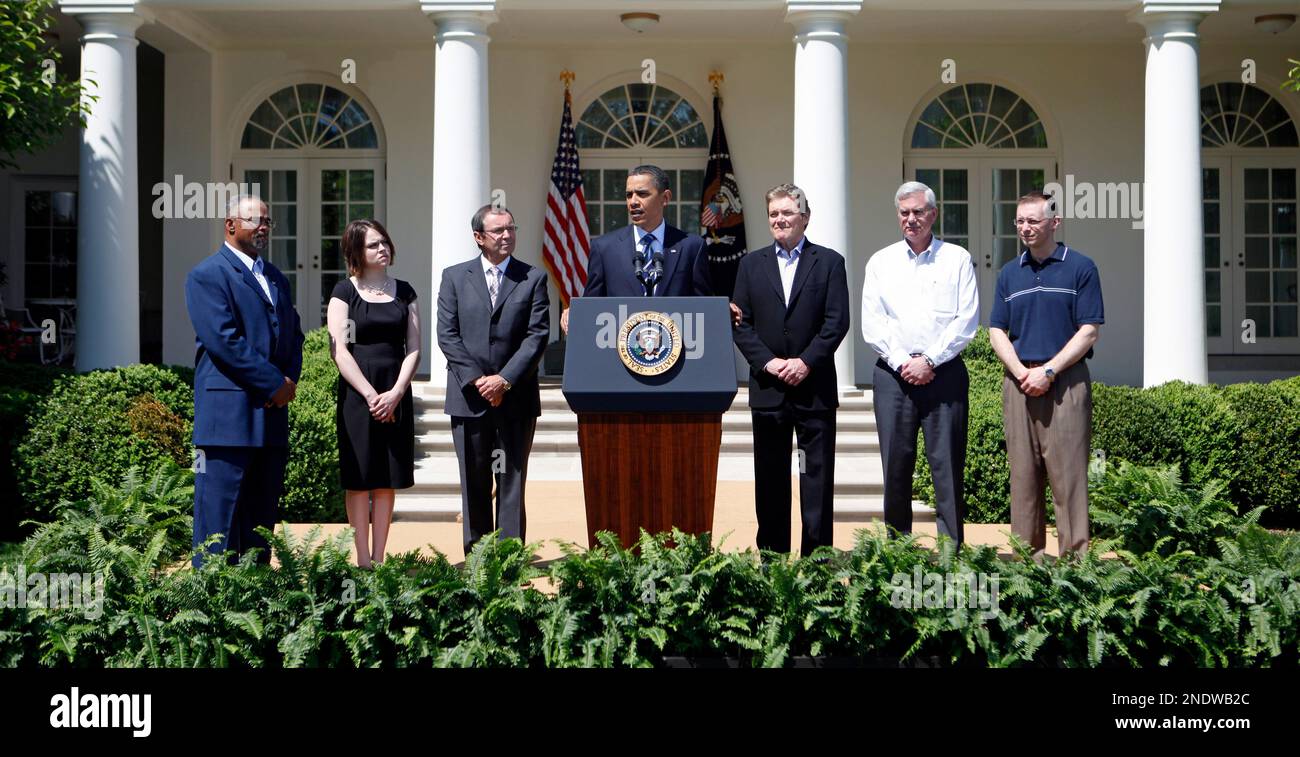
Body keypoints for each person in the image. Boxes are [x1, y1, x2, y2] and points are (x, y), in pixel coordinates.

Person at [185, 194, 304, 567]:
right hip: (227, 421)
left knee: (259, 524)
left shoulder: (275, 278)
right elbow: (224, 341)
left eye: (268, 222)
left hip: (270, 420)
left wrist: (288, 382)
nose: (263, 228)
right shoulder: (207, 275)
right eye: (255, 221)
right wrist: (272, 383)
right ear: (231, 225)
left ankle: (256, 602)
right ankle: (211, 605)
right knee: (217, 526)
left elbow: (294, 336)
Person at [732, 184, 849, 555]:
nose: (779, 220)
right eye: (773, 215)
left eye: (787, 213)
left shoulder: (829, 262)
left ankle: (816, 564)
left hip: (813, 390)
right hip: (768, 390)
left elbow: (836, 321)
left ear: (805, 217)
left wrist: (805, 362)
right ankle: (772, 560)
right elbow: (740, 322)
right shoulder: (750, 264)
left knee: (815, 479)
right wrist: (767, 361)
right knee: (769, 480)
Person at [862, 181, 979, 545]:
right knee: (895, 470)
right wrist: (904, 362)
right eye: (904, 213)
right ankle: (898, 550)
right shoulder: (881, 261)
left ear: (933, 214)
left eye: (918, 212)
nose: (911, 219)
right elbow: (872, 322)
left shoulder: (956, 258)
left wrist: (929, 359)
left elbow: (967, 320)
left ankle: (951, 553)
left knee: (947, 469)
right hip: (893, 379)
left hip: (944, 377)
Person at [989, 190, 1104, 558]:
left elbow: (1089, 330)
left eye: (1033, 221)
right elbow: (996, 331)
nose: (1025, 228)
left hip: (1065, 384)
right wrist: (1022, 371)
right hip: (1019, 382)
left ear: (1054, 222)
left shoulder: (1081, 267)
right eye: (1020, 221)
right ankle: (1028, 569)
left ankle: (1076, 569)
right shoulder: (1009, 273)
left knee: (1068, 479)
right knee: (1023, 480)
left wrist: (1050, 370)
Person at [436, 204, 550, 554]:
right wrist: (478, 381)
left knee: (511, 481)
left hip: (515, 398)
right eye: (498, 230)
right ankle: (478, 559)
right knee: (474, 480)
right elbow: (447, 335)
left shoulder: (533, 277)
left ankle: (510, 560)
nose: (506, 235)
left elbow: (537, 336)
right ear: (478, 237)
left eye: (511, 228)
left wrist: (504, 380)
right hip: (469, 399)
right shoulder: (455, 277)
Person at [327, 219, 420, 568]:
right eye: (372, 245)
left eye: (384, 242)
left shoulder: (406, 291)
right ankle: (362, 559)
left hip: (395, 389)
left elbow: (414, 348)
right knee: (360, 477)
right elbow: (339, 350)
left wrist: (395, 392)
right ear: (356, 252)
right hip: (357, 393)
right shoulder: (343, 291)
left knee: (386, 478)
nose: (382, 249)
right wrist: (370, 395)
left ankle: (380, 559)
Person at [561, 164, 736, 334]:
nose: (633, 202)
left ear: (665, 198)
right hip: (618, 354)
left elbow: (703, 305)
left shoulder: (691, 246)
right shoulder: (604, 248)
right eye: (629, 195)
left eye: (642, 194)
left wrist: (720, 309)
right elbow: (593, 305)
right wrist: (577, 312)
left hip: (678, 354)